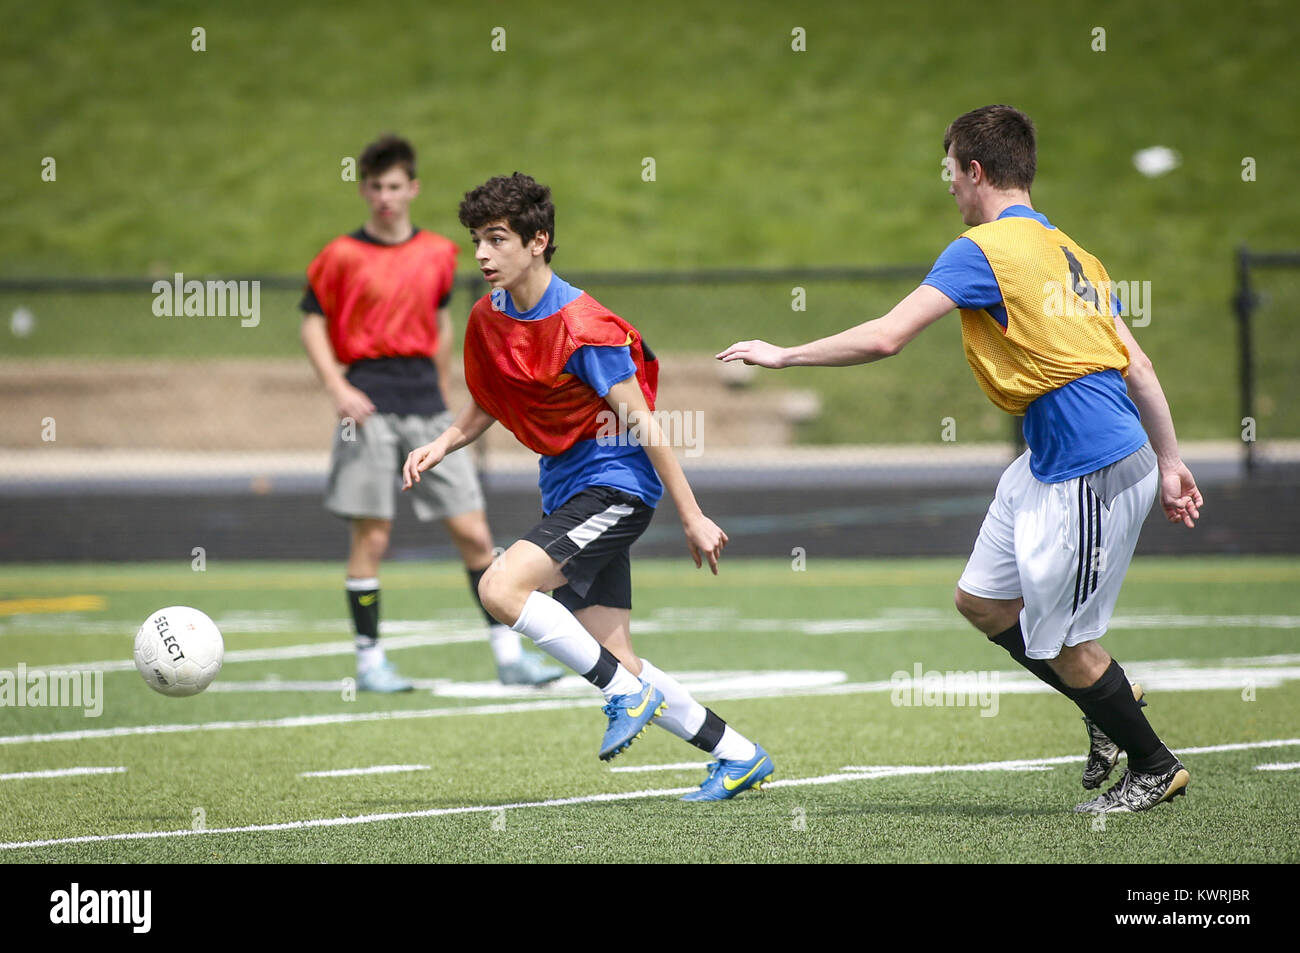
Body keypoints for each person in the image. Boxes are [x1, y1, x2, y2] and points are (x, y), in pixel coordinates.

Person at [718, 105, 1203, 814]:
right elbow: (1140, 362)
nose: (947, 186)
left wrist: (785, 352)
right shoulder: (1074, 254)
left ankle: (1154, 763)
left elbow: (888, 337)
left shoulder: (980, 248)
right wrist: (1172, 460)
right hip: (1054, 460)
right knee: (981, 601)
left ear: (975, 172)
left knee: (1070, 647)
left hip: (1092, 466)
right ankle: (1104, 702)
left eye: (950, 172)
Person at [402, 172, 773, 801]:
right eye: (476, 242)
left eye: (497, 240)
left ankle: (625, 695)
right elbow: (493, 398)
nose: (483, 256)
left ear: (538, 240)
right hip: (568, 491)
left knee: (500, 586)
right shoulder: (489, 316)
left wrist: (692, 515)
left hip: (617, 488)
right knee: (614, 652)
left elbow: (647, 426)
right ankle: (738, 755)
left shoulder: (584, 327)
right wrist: (442, 443)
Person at [300, 135, 563, 692]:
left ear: (411, 188)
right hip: (367, 403)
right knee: (371, 538)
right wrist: (336, 386)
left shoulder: (441, 253)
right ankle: (370, 663)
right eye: (374, 186)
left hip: (425, 402)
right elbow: (312, 321)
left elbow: (443, 323)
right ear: (363, 189)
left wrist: (445, 384)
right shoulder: (340, 255)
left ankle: (508, 655)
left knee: (472, 530)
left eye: (394, 186)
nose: (384, 197)